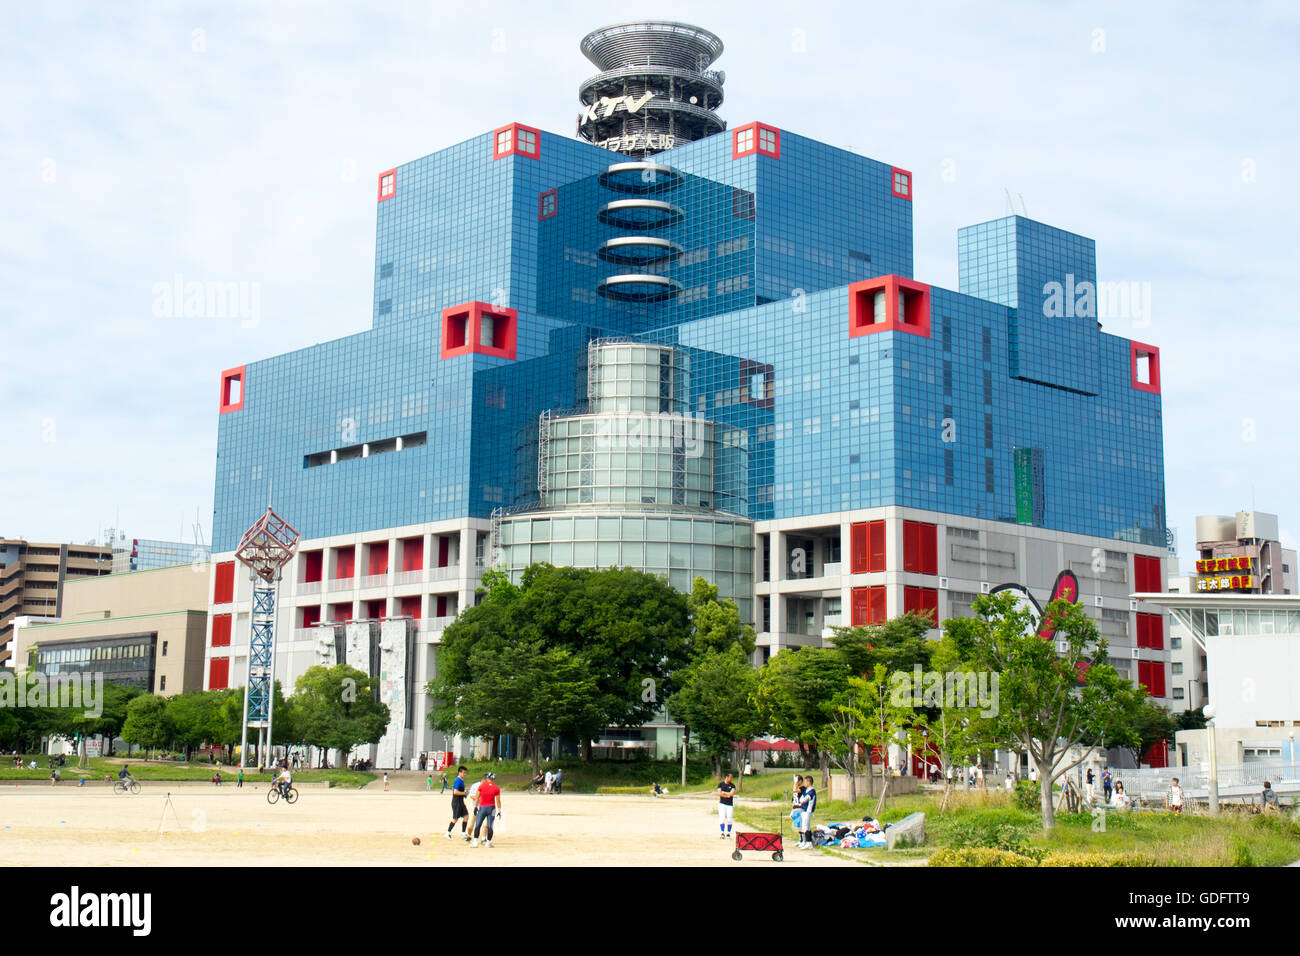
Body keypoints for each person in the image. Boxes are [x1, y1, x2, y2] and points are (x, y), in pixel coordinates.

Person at [471, 772, 502, 847]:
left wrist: (475, 807)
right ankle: (488, 842)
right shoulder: (496, 788)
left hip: (482, 807)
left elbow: (477, 797)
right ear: (494, 779)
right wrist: (499, 810)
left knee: (478, 824)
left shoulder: (482, 786)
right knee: (490, 825)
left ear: (487, 778)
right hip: (492, 808)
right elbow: (498, 801)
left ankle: (475, 842)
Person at [446, 766, 471, 841]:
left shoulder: (461, 780)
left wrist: (465, 793)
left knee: (466, 816)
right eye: (464, 772)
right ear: (459, 772)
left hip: (461, 802)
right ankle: (447, 833)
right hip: (456, 802)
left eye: (466, 773)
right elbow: (455, 792)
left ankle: (463, 833)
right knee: (455, 818)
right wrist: (464, 793)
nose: (465, 774)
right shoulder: (458, 780)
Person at [798, 775, 818, 849]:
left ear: (809, 782)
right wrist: (802, 801)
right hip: (804, 810)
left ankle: (809, 842)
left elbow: (804, 799)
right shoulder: (806, 790)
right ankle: (805, 841)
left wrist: (802, 801)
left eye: (806, 782)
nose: (804, 783)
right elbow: (801, 799)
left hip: (808, 811)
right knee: (805, 826)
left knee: (806, 826)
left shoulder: (812, 791)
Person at [716, 772, 737, 839]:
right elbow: (719, 793)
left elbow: (732, 794)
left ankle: (728, 833)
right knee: (722, 818)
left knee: (729, 819)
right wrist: (727, 795)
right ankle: (722, 832)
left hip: (729, 805)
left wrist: (724, 793)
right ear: (726, 777)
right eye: (730, 777)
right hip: (722, 804)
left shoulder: (733, 785)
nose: (731, 779)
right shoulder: (721, 784)